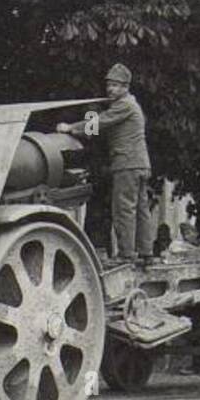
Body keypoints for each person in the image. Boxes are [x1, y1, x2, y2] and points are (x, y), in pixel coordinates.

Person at [57, 63, 153, 261]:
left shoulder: (124, 105)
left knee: (124, 209)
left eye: (116, 85)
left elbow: (99, 123)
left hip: (127, 164)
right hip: (140, 164)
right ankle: (146, 252)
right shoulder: (129, 104)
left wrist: (70, 128)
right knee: (141, 209)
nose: (110, 89)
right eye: (109, 85)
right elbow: (96, 127)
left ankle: (127, 254)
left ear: (126, 87)